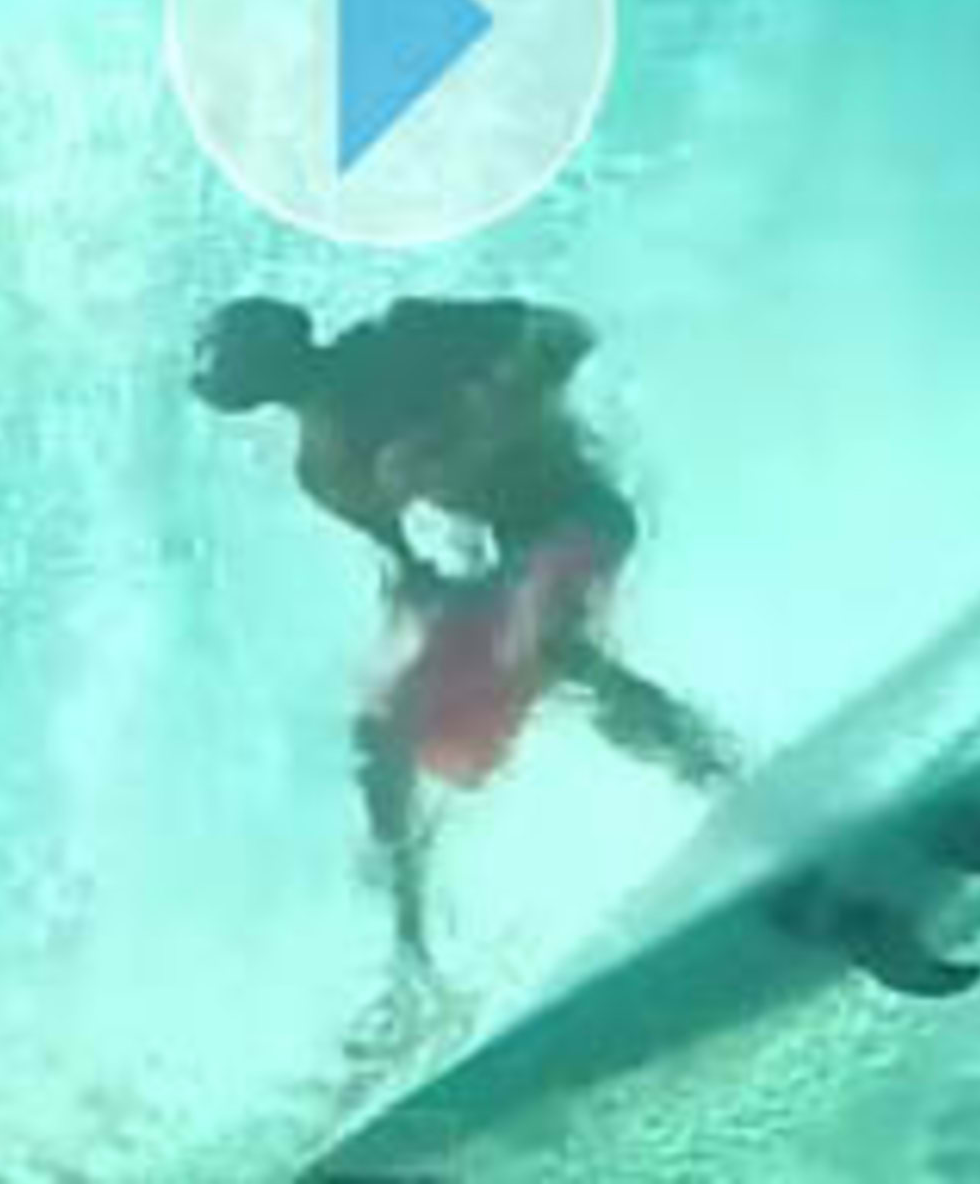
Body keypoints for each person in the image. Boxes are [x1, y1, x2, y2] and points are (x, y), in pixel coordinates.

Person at [189, 292, 738, 972]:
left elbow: (568, 332)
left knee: (543, 633)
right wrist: (416, 645)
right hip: (510, 562)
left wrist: (486, 416)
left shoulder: (405, 335)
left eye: (255, 356)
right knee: (379, 735)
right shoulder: (326, 469)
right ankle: (410, 955)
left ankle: (726, 780)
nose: (264, 373)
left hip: (581, 510)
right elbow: (411, 569)